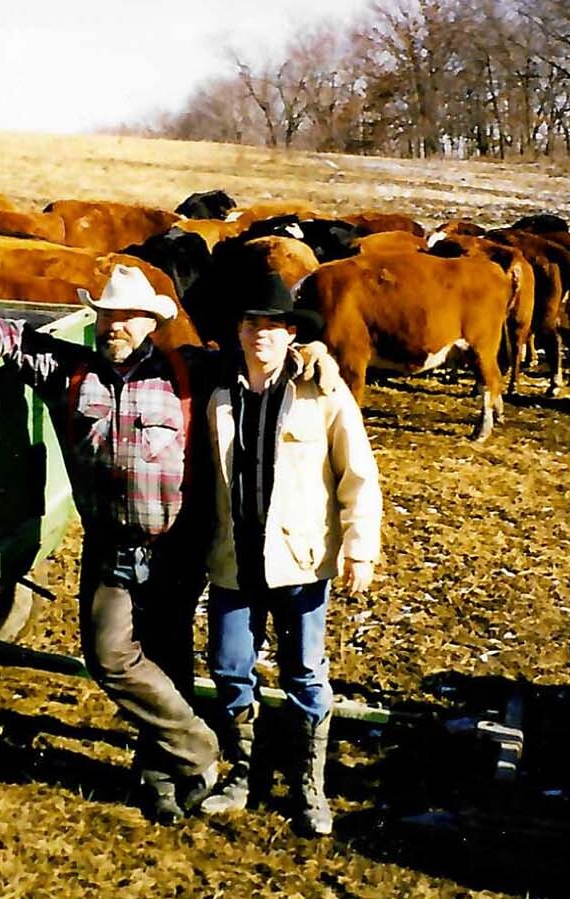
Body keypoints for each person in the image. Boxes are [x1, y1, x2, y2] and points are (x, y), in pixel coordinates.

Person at [0, 264, 338, 824]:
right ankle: (199, 746)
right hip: (109, 545)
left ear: (151, 323)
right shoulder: (70, 370)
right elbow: (14, 335)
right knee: (110, 657)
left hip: (175, 547)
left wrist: (312, 349)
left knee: (167, 661)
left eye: (126, 318)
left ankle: (162, 780)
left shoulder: (189, 370)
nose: (114, 327)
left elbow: (264, 358)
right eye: (106, 317)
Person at [196, 273, 382, 837]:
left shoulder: (322, 391)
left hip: (299, 558)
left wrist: (360, 548)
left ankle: (309, 784)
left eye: (274, 326)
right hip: (234, 557)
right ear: (238, 330)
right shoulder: (216, 390)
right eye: (252, 323)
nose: (261, 335)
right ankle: (245, 773)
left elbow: (359, 473)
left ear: (291, 335)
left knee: (304, 673)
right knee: (230, 668)